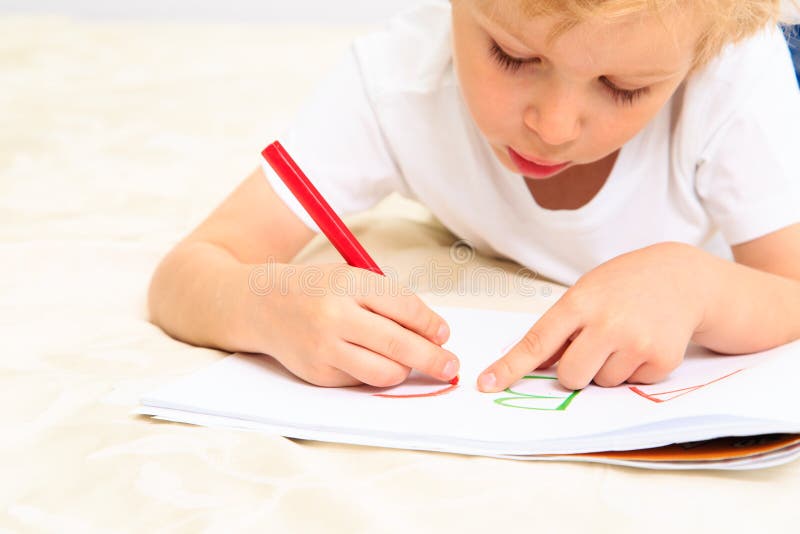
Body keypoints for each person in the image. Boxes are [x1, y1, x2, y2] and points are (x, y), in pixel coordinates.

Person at [148, 0, 800, 394]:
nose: (553, 125)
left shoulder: (730, 68)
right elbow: (192, 267)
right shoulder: (395, 84)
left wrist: (699, 284)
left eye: (623, 87)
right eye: (514, 57)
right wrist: (268, 305)